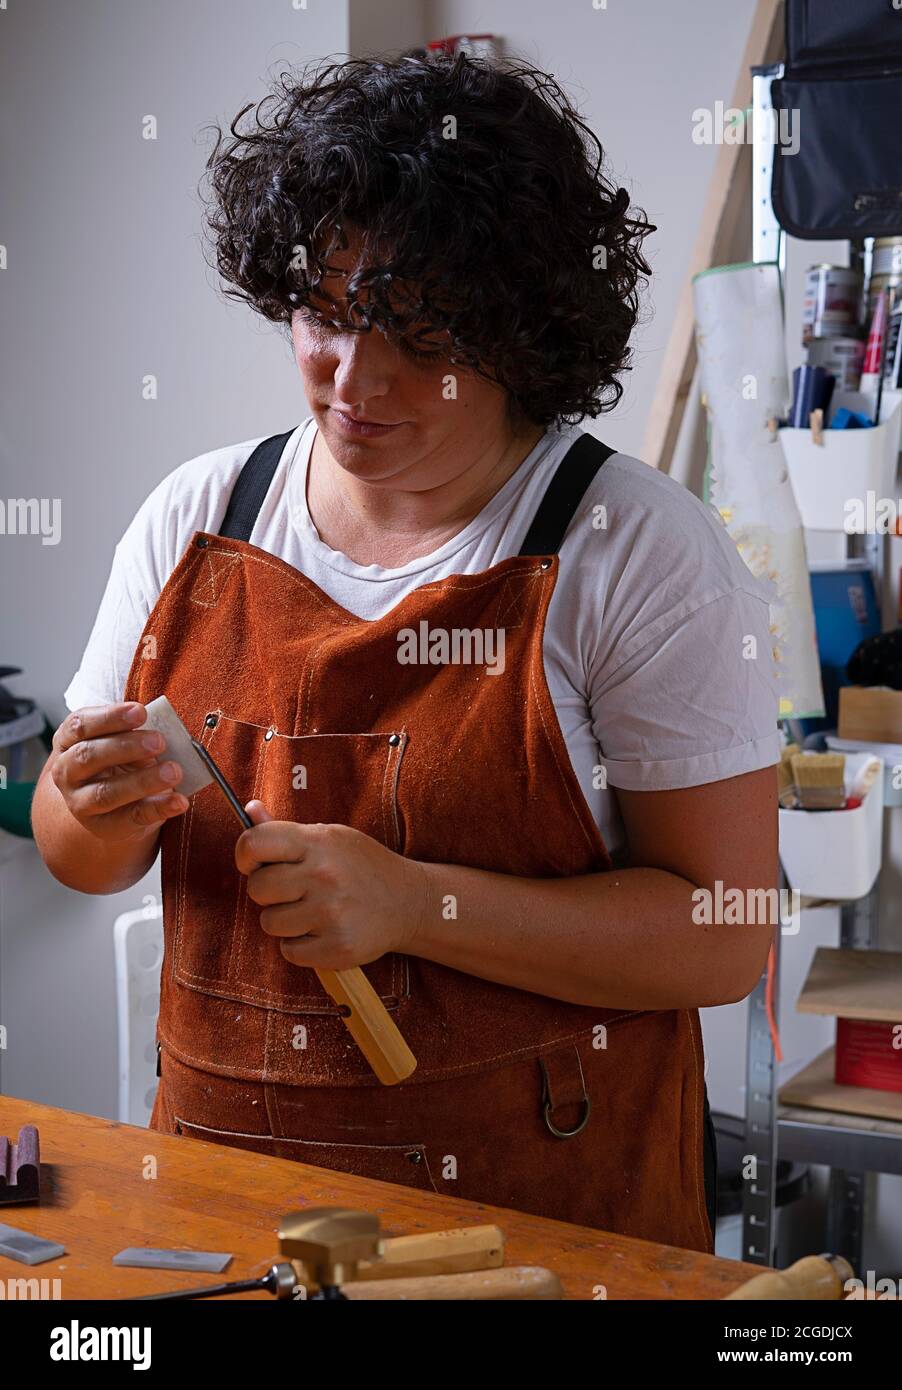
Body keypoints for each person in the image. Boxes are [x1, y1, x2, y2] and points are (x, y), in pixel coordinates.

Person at [32, 51, 780, 1253]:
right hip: (224, 1219)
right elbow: (82, 858)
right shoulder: (201, 515)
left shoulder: (630, 549)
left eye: (416, 331)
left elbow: (722, 932)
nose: (356, 379)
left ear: (517, 329)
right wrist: (91, 806)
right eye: (326, 316)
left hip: (529, 1235)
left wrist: (413, 905)